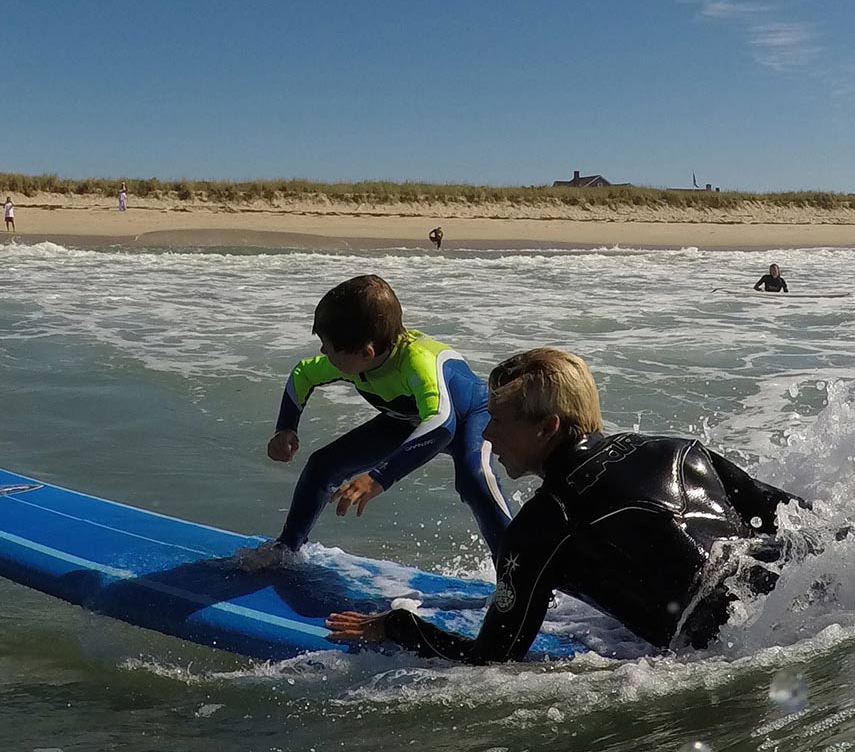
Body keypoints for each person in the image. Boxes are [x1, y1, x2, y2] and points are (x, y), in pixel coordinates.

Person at [326, 347, 808, 661]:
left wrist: (400, 627)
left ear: (547, 427)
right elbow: (797, 518)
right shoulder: (678, 449)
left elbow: (491, 658)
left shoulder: (542, 528)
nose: (487, 434)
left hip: (737, 649)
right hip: (803, 600)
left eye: (499, 421)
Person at [254, 273, 512, 560]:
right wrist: (286, 428)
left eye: (328, 346)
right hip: (408, 420)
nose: (323, 351)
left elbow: (442, 423)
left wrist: (379, 477)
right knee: (322, 465)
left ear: (366, 353)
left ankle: (519, 568)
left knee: (474, 478)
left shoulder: (416, 363)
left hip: (469, 417)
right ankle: (286, 549)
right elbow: (302, 375)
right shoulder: (352, 359)